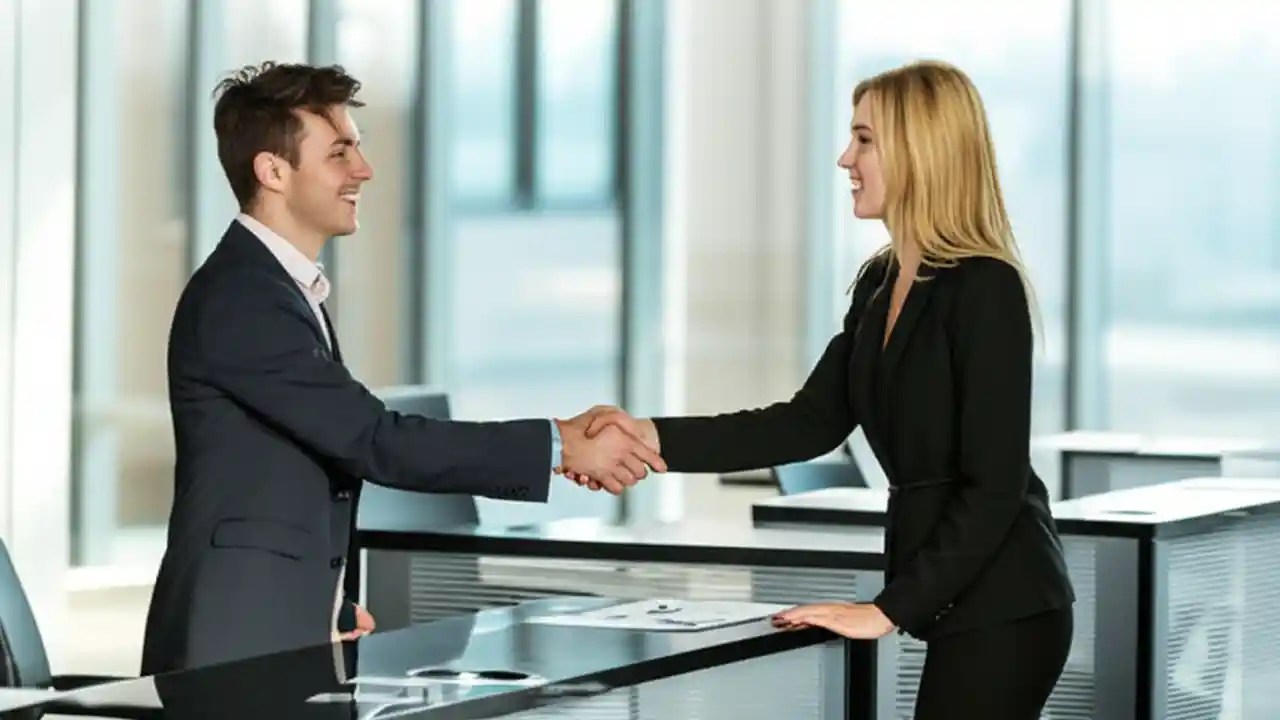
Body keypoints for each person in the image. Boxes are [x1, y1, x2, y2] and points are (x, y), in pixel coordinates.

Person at [565, 60, 1075, 719]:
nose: (845, 158)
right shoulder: (880, 284)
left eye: (865, 139)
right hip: (953, 593)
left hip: (1008, 601)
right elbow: (803, 423)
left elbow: (996, 484)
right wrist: (647, 436)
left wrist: (888, 610)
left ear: (921, 149)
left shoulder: (984, 288)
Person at [140, 62, 665, 675]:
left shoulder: (275, 287)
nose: (363, 170)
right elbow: (375, 440)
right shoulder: (243, 297)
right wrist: (559, 445)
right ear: (273, 170)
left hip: (276, 629)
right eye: (339, 153)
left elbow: (282, 469)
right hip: (234, 647)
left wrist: (324, 599)